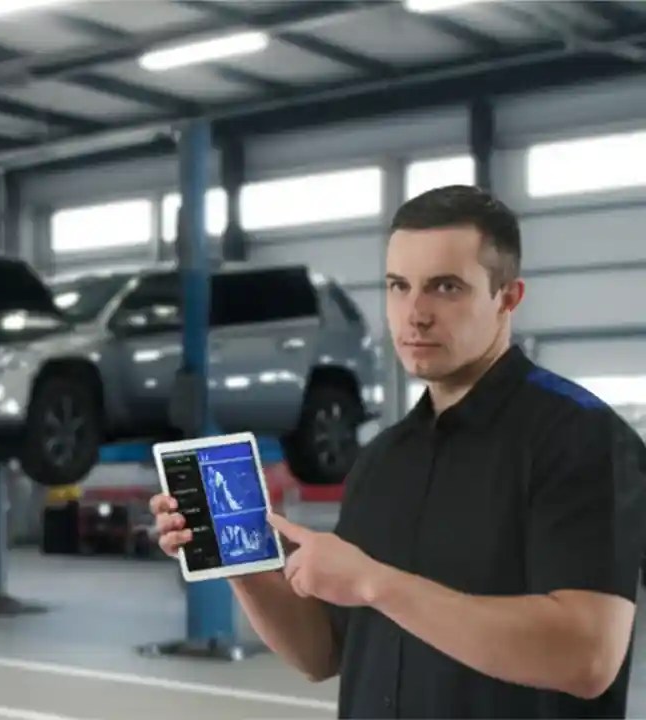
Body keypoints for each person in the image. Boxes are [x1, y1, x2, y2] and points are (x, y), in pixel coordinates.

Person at [151, 185, 646, 718]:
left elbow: (586, 656)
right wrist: (238, 563)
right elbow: (323, 653)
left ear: (508, 297)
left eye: (445, 287)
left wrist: (374, 582)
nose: (414, 314)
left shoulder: (582, 439)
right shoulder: (383, 460)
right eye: (398, 286)